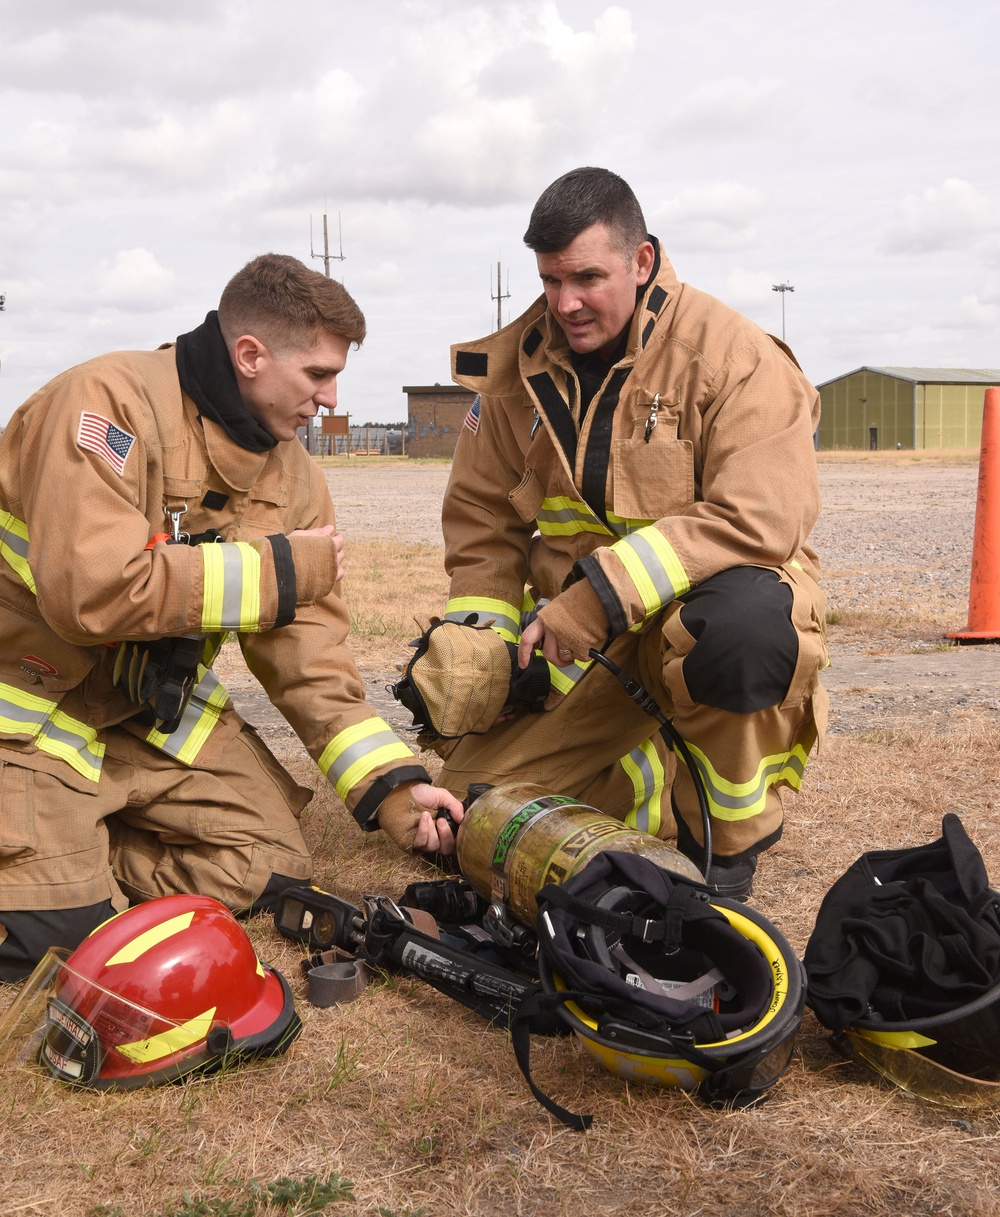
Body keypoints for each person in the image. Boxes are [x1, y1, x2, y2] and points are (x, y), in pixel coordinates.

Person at [0, 253, 461, 981]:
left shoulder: (296, 478)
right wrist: (281, 569)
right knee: (54, 939)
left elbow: (315, 660)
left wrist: (393, 791)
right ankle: (56, 850)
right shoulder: (105, 406)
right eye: (316, 374)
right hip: (30, 709)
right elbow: (89, 593)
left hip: (138, 713)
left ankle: (78, 834)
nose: (330, 396)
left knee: (270, 866)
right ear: (249, 354)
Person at [433, 167, 828, 900]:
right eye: (551, 280)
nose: (565, 303)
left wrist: (599, 596)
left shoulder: (734, 357)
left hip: (696, 624)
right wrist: (483, 646)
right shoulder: (513, 375)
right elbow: (483, 523)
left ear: (642, 261)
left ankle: (723, 851)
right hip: (585, 648)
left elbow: (763, 516)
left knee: (742, 627)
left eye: (587, 277)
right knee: (471, 811)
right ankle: (649, 790)